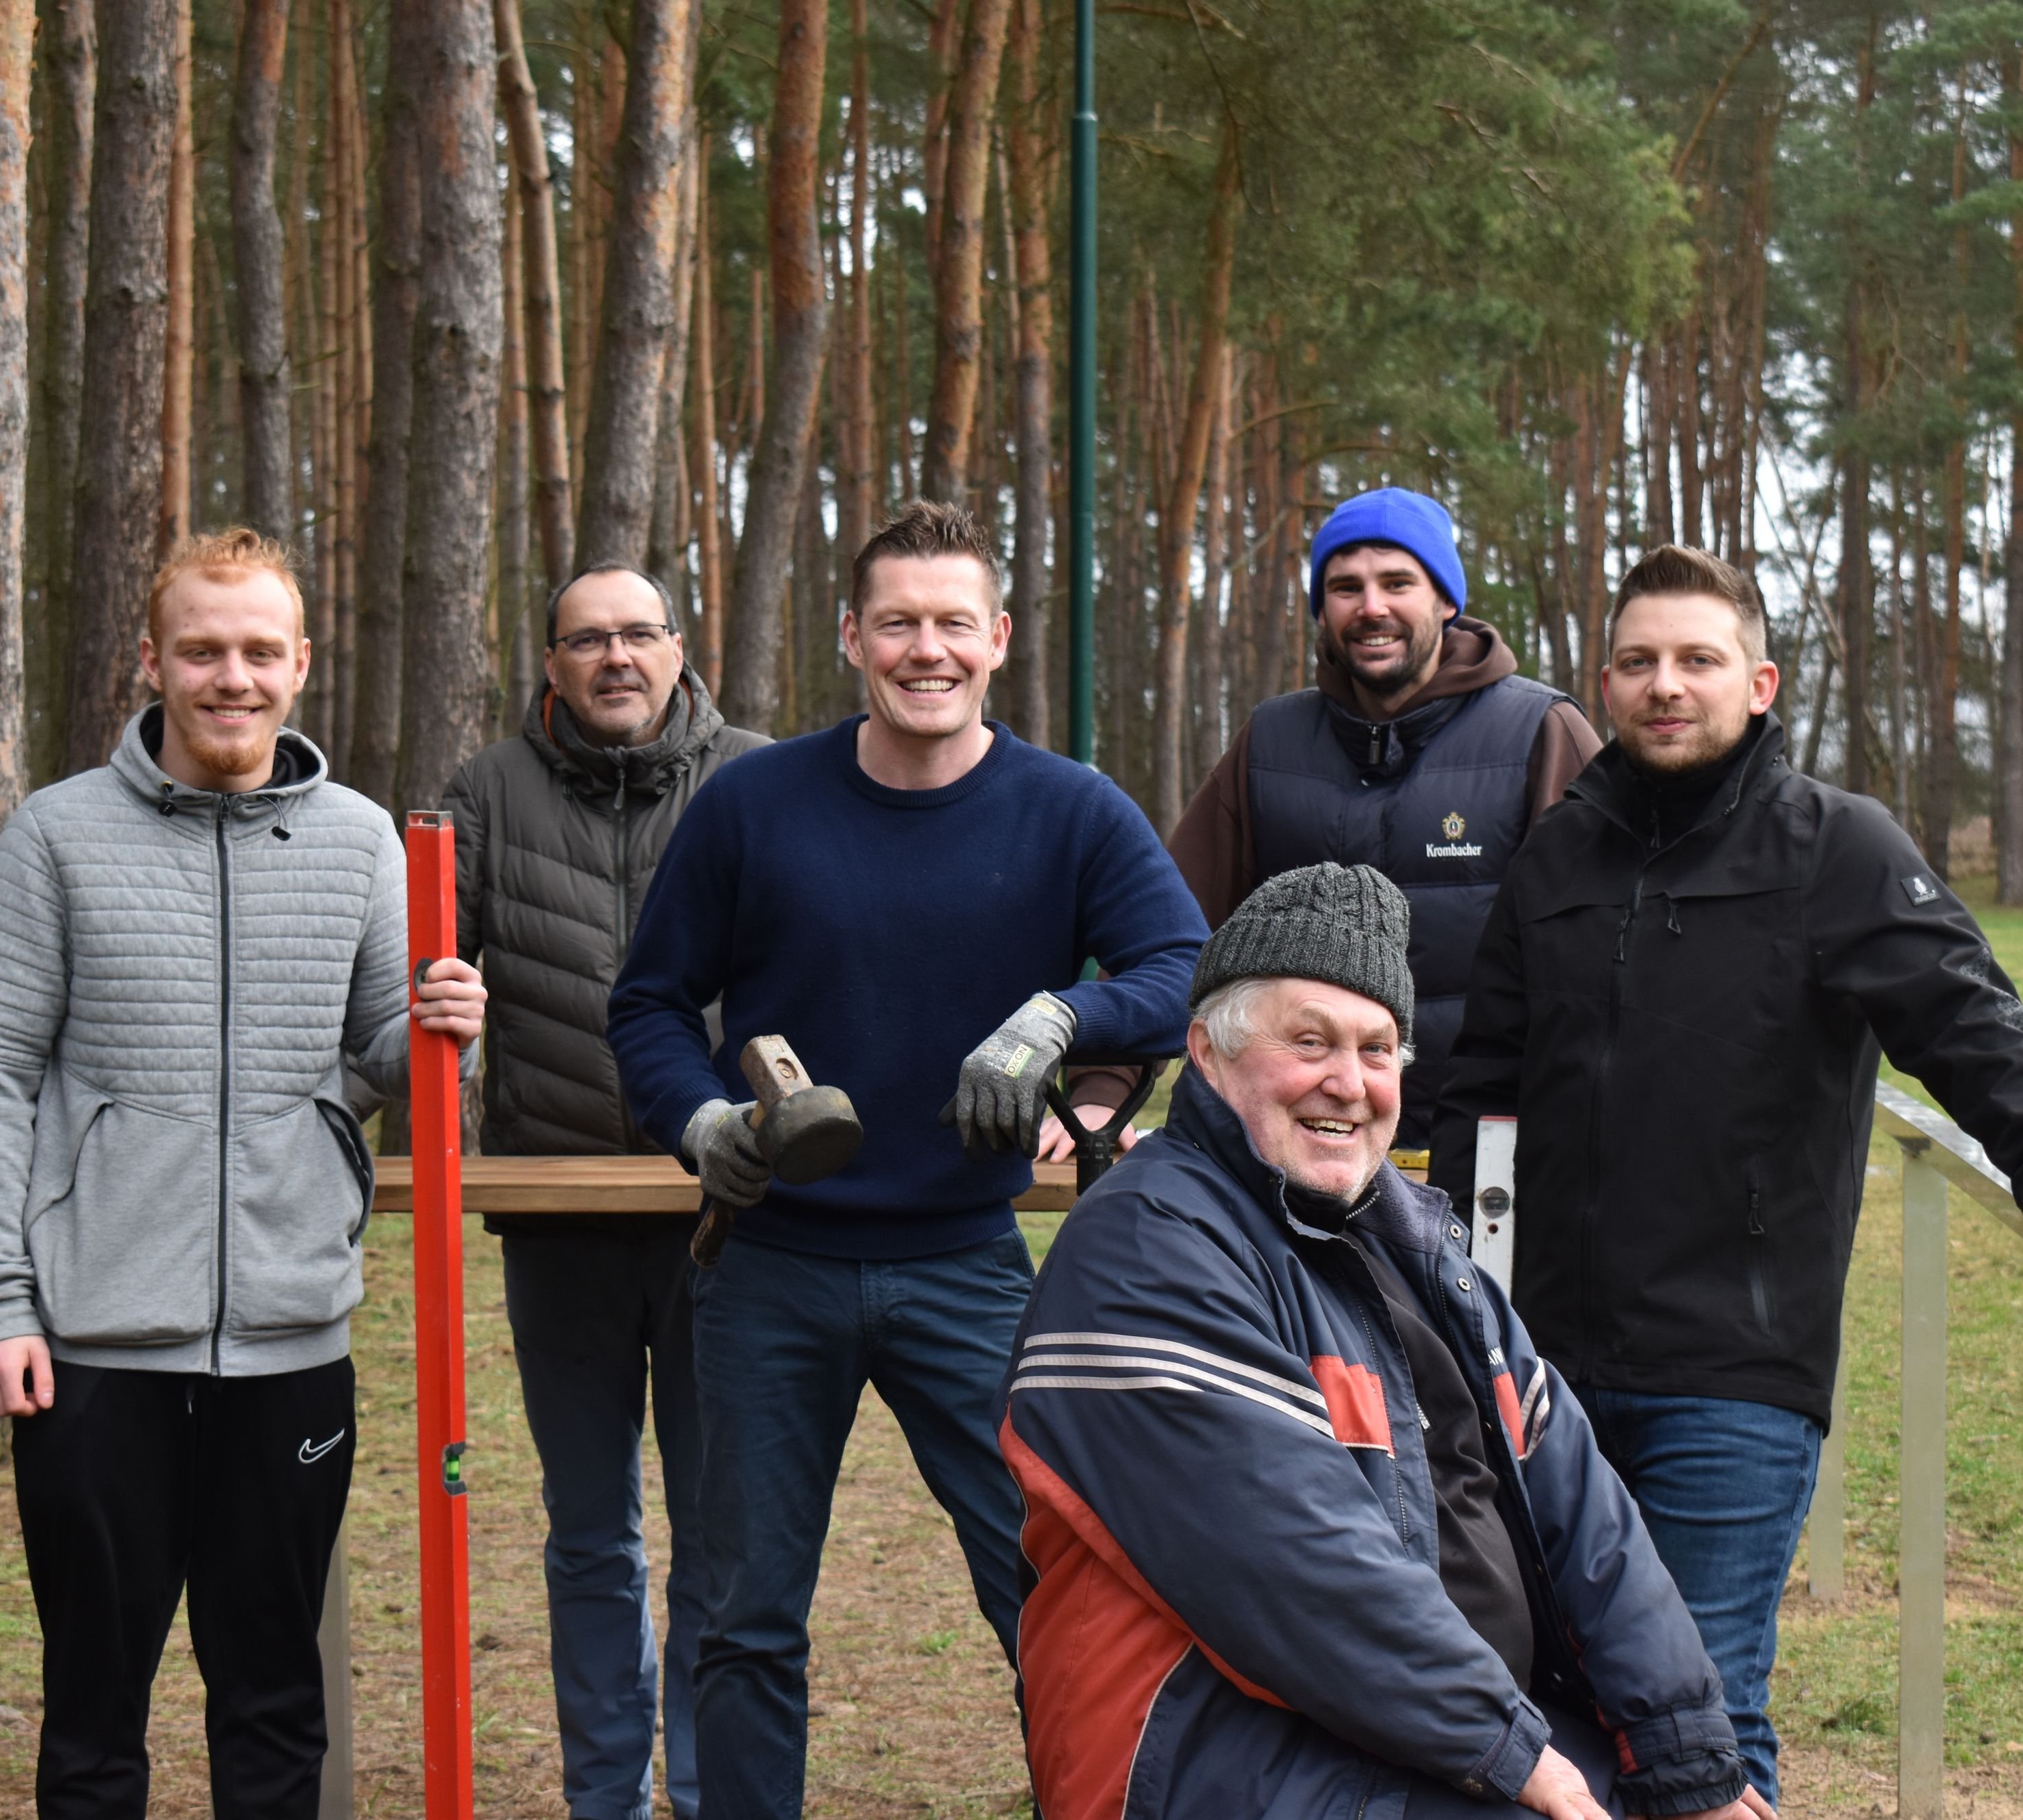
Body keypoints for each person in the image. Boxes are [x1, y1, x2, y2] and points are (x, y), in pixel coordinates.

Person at [1431, 544, 2023, 1804]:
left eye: (1699, 661)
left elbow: (1964, 1015)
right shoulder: (1555, 859)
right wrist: (1456, 1303)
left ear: (1757, 684)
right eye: (1642, 661)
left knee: (1699, 1712)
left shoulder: (1838, 848)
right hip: (1543, 1368)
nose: (1669, 685)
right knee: (1548, 1699)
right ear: (1604, 683)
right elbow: (1484, 1097)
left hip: (1735, 1374)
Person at [605, 500, 1208, 1819]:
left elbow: (1184, 972)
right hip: (768, 1272)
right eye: (897, 623)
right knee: (746, 1616)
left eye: (951, 623)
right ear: (852, 638)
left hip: (969, 1266)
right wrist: (703, 1123)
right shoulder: (755, 803)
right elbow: (648, 1003)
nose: (924, 649)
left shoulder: (1070, 810)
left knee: (1049, 1590)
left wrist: (1061, 1017)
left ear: (995, 639)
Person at [1002, 863, 1768, 1820]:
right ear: (1207, 1053)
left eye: (1377, 1049)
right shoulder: (1145, 1247)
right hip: (1220, 1751)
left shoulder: (1415, 1241)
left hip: (1443, 1731)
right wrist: (1519, 1755)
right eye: (1309, 1041)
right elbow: (1292, 1563)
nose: (1348, 1082)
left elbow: (1583, 1511)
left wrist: (1686, 1757)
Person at [0, 528, 486, 1820]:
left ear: (299, 665)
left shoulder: (361, 845)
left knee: (275, 1704)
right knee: (92, 1709)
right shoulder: (58, 836)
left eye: (256, 650)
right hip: (93, 1349)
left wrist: (442, 1027)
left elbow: (383, 1064)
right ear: (153, 661)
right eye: (200, 649)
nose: (229, 676)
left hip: (292, 1342)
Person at [439, 563, 766, 1820]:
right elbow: (423, 967)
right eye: (588, 639)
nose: (616, 657)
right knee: (589, 1532)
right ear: (553, 662)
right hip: (560, 1215)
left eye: (639, 634)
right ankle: (603, 1797)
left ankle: (700, 1787)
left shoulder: (760, 776)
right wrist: (436, 1003)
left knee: (718, 1535)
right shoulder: (488, 791)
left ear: (681, 648)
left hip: (727, 1218)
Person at [1149, 485, 1601, 1152]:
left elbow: (1606, 951)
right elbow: (1168, 931)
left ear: (1446, 600)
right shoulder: (1270, 744)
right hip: (1302, 1149)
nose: (1371, 608)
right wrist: (1104, 1088)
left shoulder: (1540, 731)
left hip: (1489, 1154)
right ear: (1322, 609)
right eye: (1345, 587)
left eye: (1397, 583)